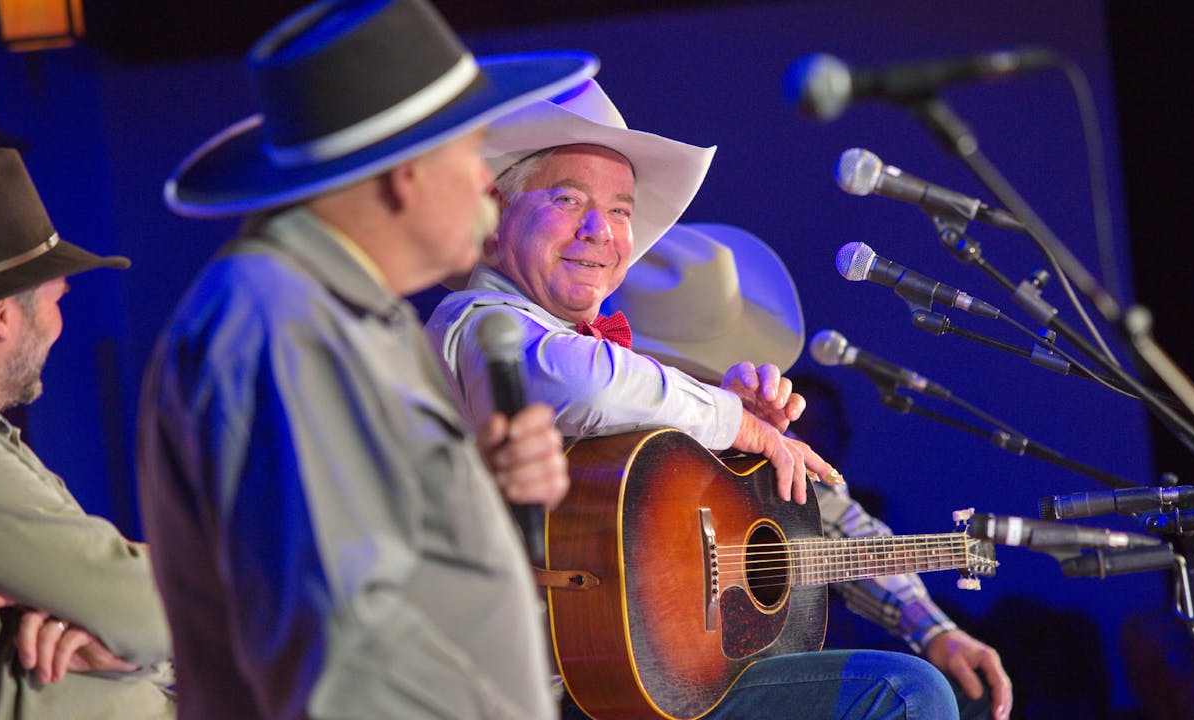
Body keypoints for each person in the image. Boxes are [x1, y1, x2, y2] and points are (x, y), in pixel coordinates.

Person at [425, 79, 980, 719]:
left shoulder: (632, 381)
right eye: (567, 198)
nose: (599, 230)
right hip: (536, 694)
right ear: (493, 217)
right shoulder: (473, 320)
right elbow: (583, 382)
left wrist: (745, 461)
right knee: (901, 696)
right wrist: (732, 422)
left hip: (635, 683)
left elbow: (826, 513)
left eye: (621, 211)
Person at [136, 1, 597, 718]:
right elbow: (347, 655)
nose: (488, 185)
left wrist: (472, 490)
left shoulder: (343, 314)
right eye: (472, 153)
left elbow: (363, 544)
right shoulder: (280, 324)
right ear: (404, 174)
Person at [614, 222, 1011, 720]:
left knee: (957, 692)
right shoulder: (599, 411)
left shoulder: (754, 422)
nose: (709, 393)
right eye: (690, 377)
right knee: (911, 692)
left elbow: (846, 526)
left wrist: (937, 632)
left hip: (718, 678)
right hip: (613, 672)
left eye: (711, 376)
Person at [0, 147, 175, 718]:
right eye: (55, 301)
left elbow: (137, 610)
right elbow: (144, 608)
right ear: (1, 315)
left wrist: (125, 640)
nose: (59, 324)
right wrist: (128, 614)